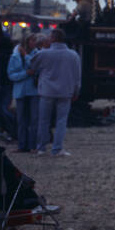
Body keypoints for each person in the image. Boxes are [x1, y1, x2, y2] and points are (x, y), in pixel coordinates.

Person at [30, 28, 81, 156]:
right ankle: (57, 148)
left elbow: (32, 67)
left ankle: (41, 147)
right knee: (61, 121)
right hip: (65, 91)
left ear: (52, 39)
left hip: (47, 91)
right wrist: (76, 91)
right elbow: (77, 76)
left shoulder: (44, 54)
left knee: (43, 120)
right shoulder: (73, 55)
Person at [6, 34, 39, 153]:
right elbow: (11, 75)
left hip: (33, 91)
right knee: (21, 120)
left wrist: (26, 57)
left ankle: (32, 145)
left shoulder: (37, 54)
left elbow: (35, 68)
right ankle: (22, 145)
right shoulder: (15, 56)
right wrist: (26, 74)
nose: (35, 42)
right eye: (32, 40)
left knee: (33, 120)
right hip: (22, 91)